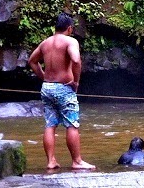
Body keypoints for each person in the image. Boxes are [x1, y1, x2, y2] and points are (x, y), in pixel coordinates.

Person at [28, 12, 95, 170]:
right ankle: (77, 161)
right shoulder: (70, 41)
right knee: (72, 124)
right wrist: (76, 81)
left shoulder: (46, 43)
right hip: (64, 88)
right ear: (70, 28)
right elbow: (76, 60)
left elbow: (32, 61)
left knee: (50, 124)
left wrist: (44, 77)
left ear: (55, 27)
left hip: (47, 87)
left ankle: (51, 161)